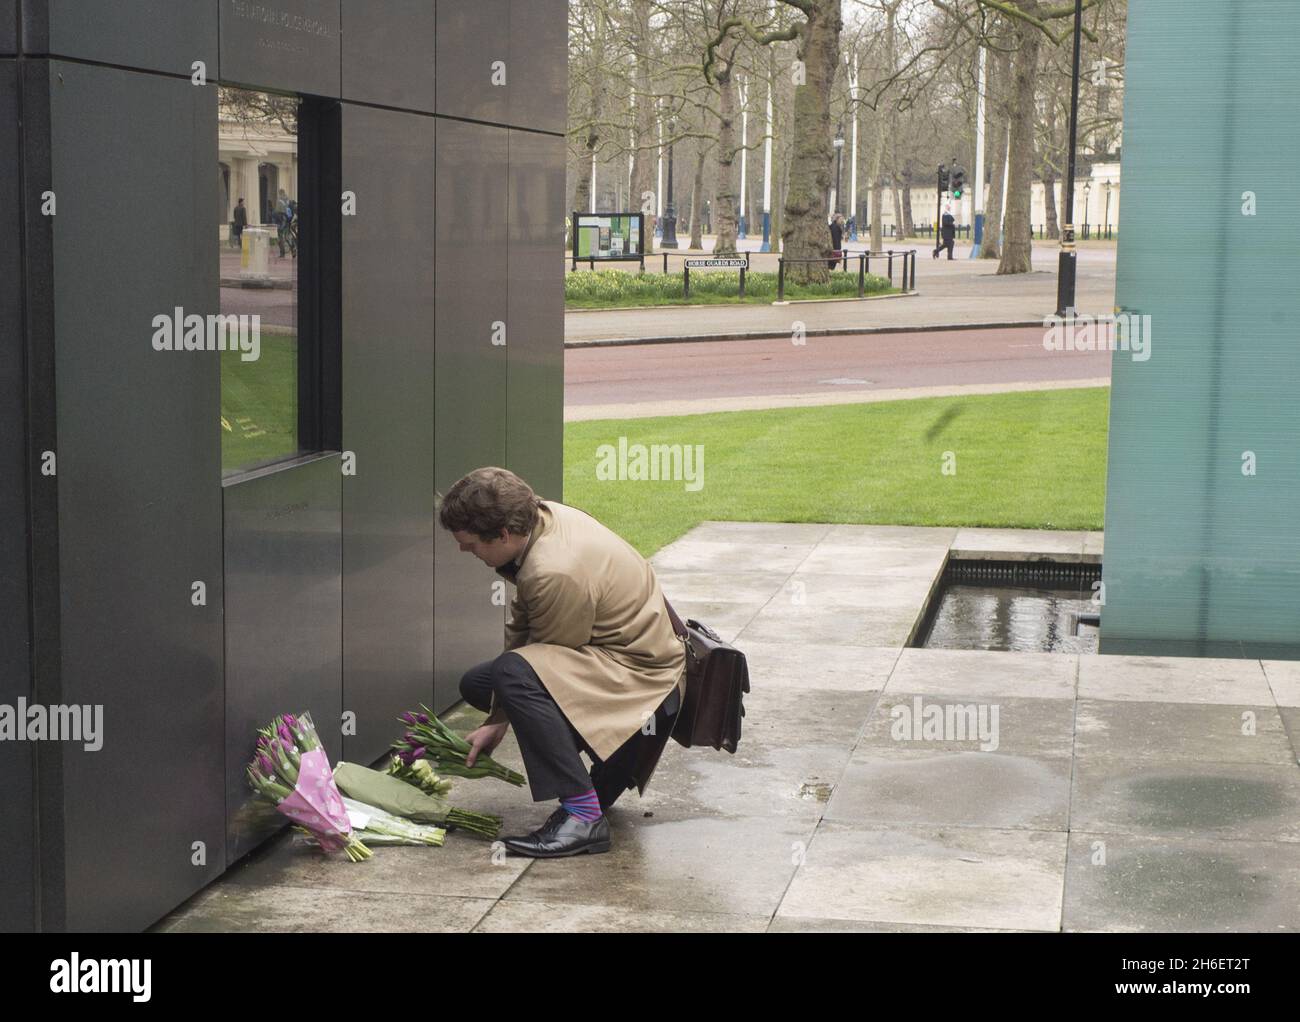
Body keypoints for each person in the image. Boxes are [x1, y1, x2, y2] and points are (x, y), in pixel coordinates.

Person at [439, 467, 687, 858]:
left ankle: (583, 817)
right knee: (481, 684)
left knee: (511, 676)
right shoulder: (543, 520)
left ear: (502, 534)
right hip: (626, 660)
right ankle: (609, 770)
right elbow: (523, 629)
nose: (463, 550)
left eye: (469, 543)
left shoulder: (554, 569)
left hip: (642, 680)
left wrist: (505, 713)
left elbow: (546, 662)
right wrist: (496, 719)